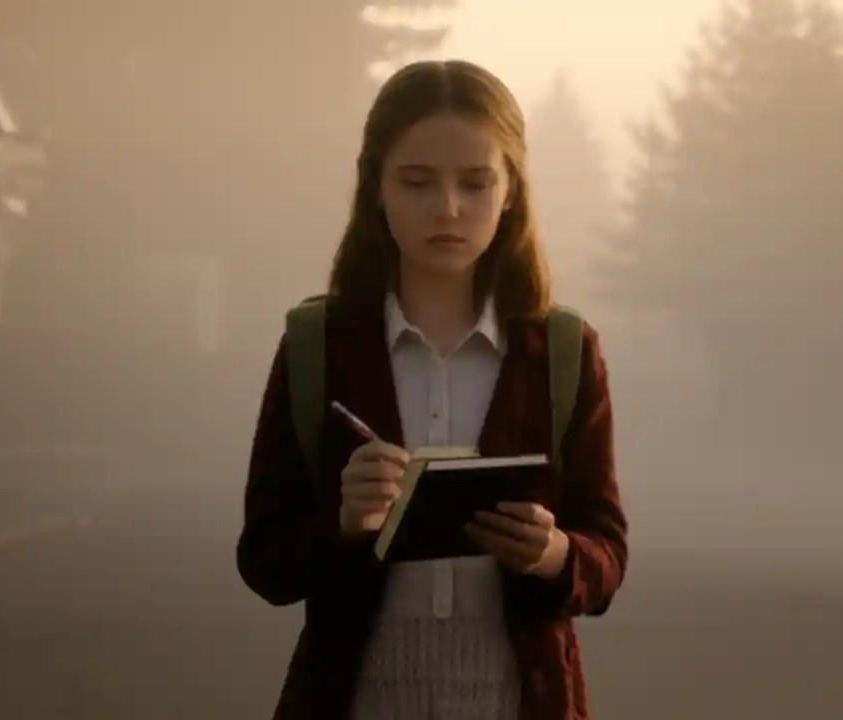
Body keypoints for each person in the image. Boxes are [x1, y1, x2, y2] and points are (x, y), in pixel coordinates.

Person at [236, 59, 628, 720]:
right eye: (417, 182)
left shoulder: (561, 351)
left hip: (520, 699)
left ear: (511, 193)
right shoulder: (317, 347)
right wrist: (343, 524)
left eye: (475, 183)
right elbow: (265, 560)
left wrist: (555, 553)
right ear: (376, 189)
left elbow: (607, 553)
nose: (448, 208)